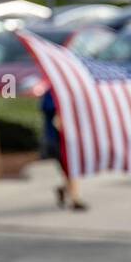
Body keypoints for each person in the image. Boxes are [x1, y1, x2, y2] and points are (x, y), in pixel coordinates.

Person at [40, 83, 88, 211]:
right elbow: (47, 108)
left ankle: (66, 191)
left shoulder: (72, 90)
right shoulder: (51, 91)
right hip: (57, 139)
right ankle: (75, 198)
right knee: (70, 168)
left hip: (72, 137)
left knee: (72, 168)